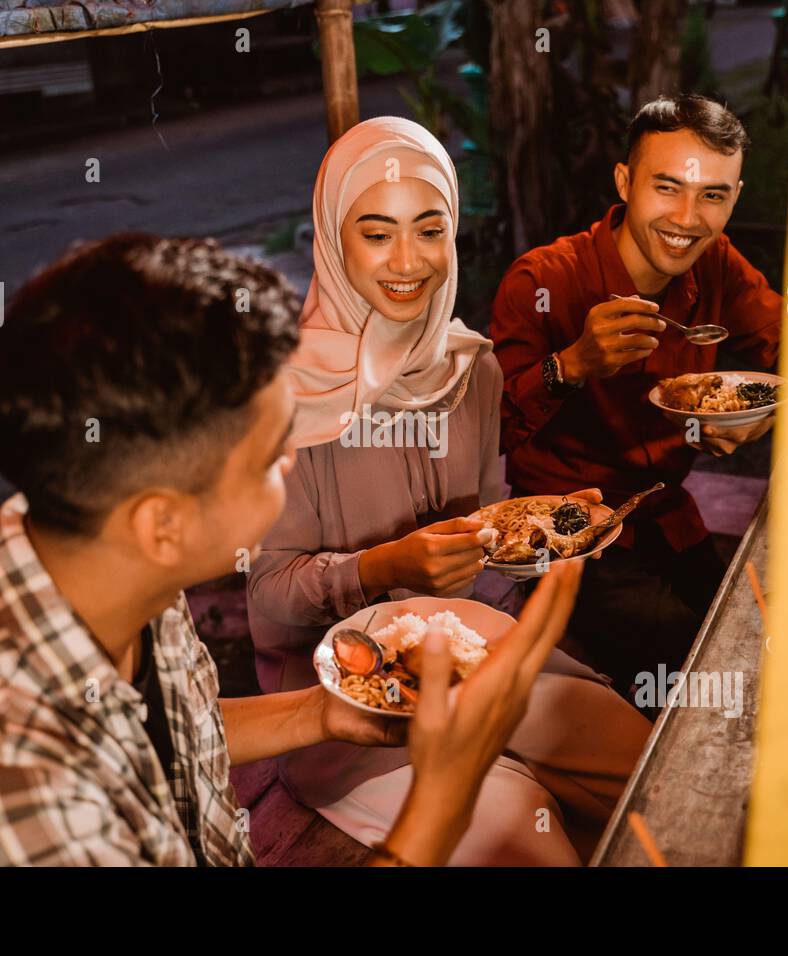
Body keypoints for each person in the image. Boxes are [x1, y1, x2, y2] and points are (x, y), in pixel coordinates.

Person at [0, 232, 588, 867]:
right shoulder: (0, 781)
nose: (292, 465)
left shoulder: (92, 546)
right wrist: (440, 802)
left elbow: (162, 728)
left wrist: (322, 716)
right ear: (162, 521)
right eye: (270, 457)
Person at [247, 117, 651, 865]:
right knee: (523, 828)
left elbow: (489, 553)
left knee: (651, 773)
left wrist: (549, 536)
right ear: (333, 242)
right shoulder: (284, 394)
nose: (409, 261)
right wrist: (381, 570)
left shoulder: (474, 370)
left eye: (429, 231)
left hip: (480, 658)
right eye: (376, 233)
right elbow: (266, 597)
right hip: (350, 707)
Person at [490, 95, 783, 714]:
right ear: (624, 181)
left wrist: (763, 413)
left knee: (758, 634)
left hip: (667, 515)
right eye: (668, 187)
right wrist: (569, 366)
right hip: (572, 540)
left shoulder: (718, 265)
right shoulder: (543, 281)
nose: (688, 218)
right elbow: (489, 432)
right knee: (703, 682)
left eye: (714, 195)